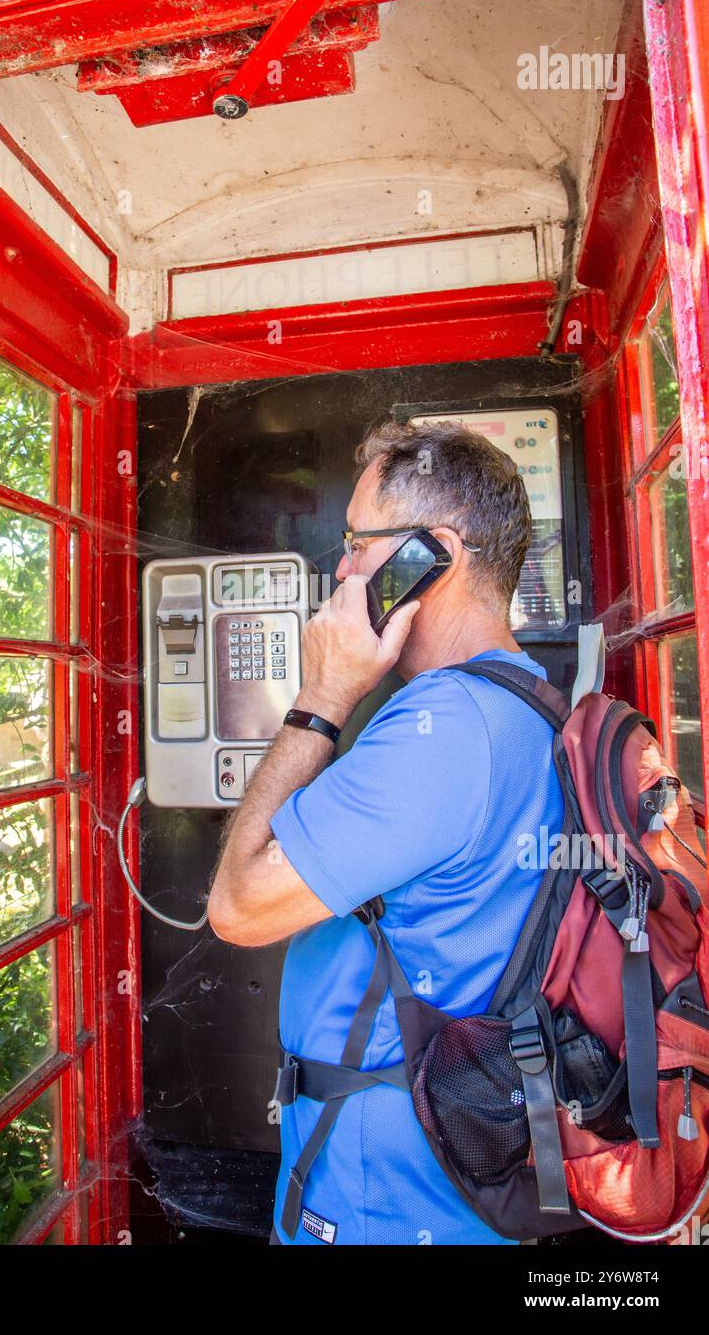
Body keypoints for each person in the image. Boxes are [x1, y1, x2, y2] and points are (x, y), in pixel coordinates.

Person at [208, 418, 564, 1246]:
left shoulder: (442, 733)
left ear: (429, 554)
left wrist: (322, 698)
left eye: (357, 542)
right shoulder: (526, 699)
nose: (341, 569)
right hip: (454, 1164)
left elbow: (237, 905)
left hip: (385, 1198)